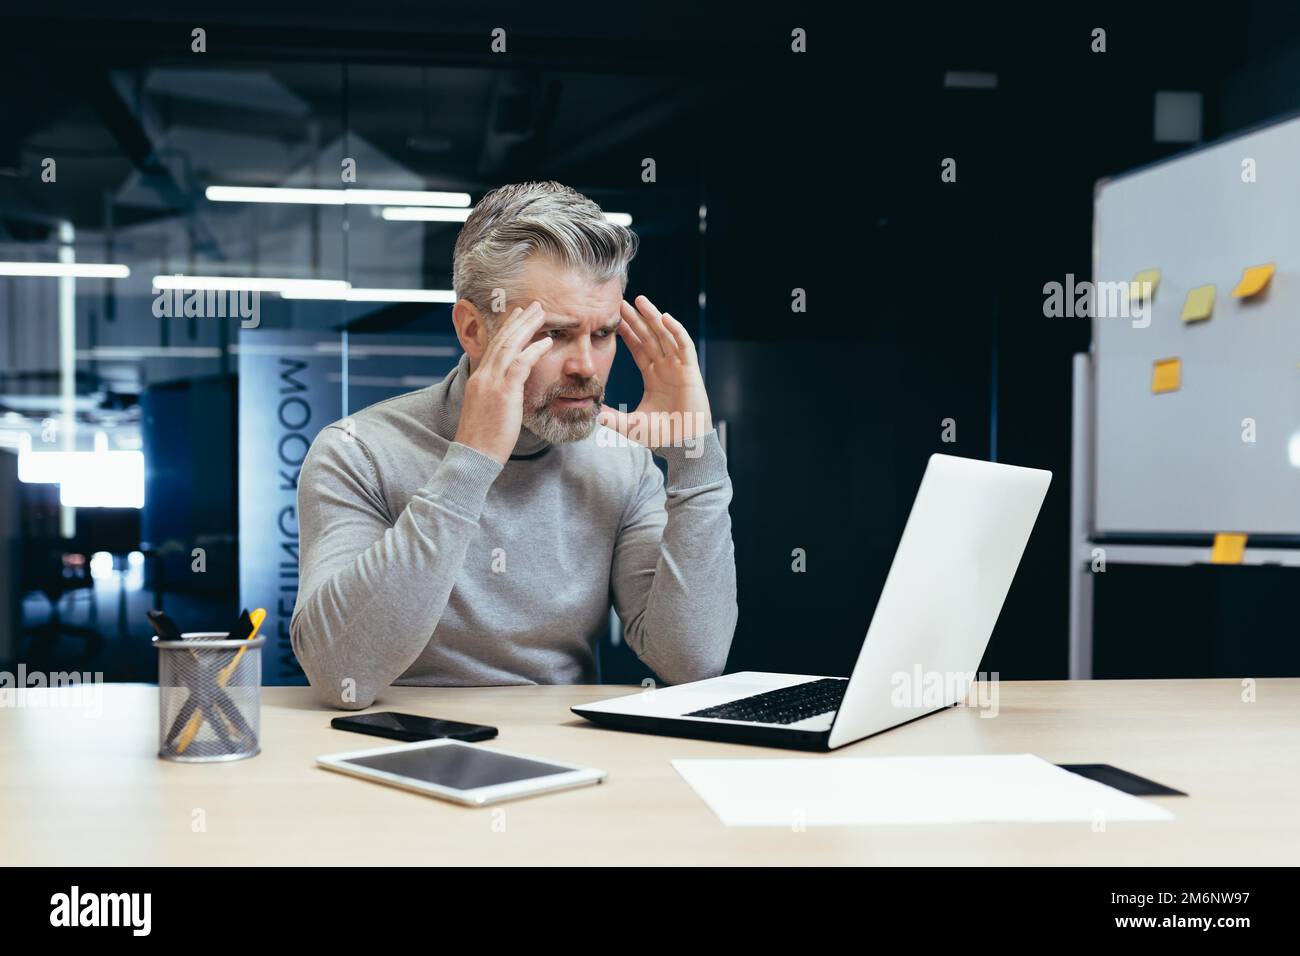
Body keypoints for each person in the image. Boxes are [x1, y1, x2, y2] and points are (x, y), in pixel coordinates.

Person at [291, 181, 738, 709]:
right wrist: (472, 462)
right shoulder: (357, 451)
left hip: (564, 755)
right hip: (394, 749)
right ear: (473, 329)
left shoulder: (623, 465)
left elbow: (692, 661)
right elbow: (341, 673)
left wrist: (694, 459)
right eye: (554, 334)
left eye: (602, 335)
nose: (587, 368)